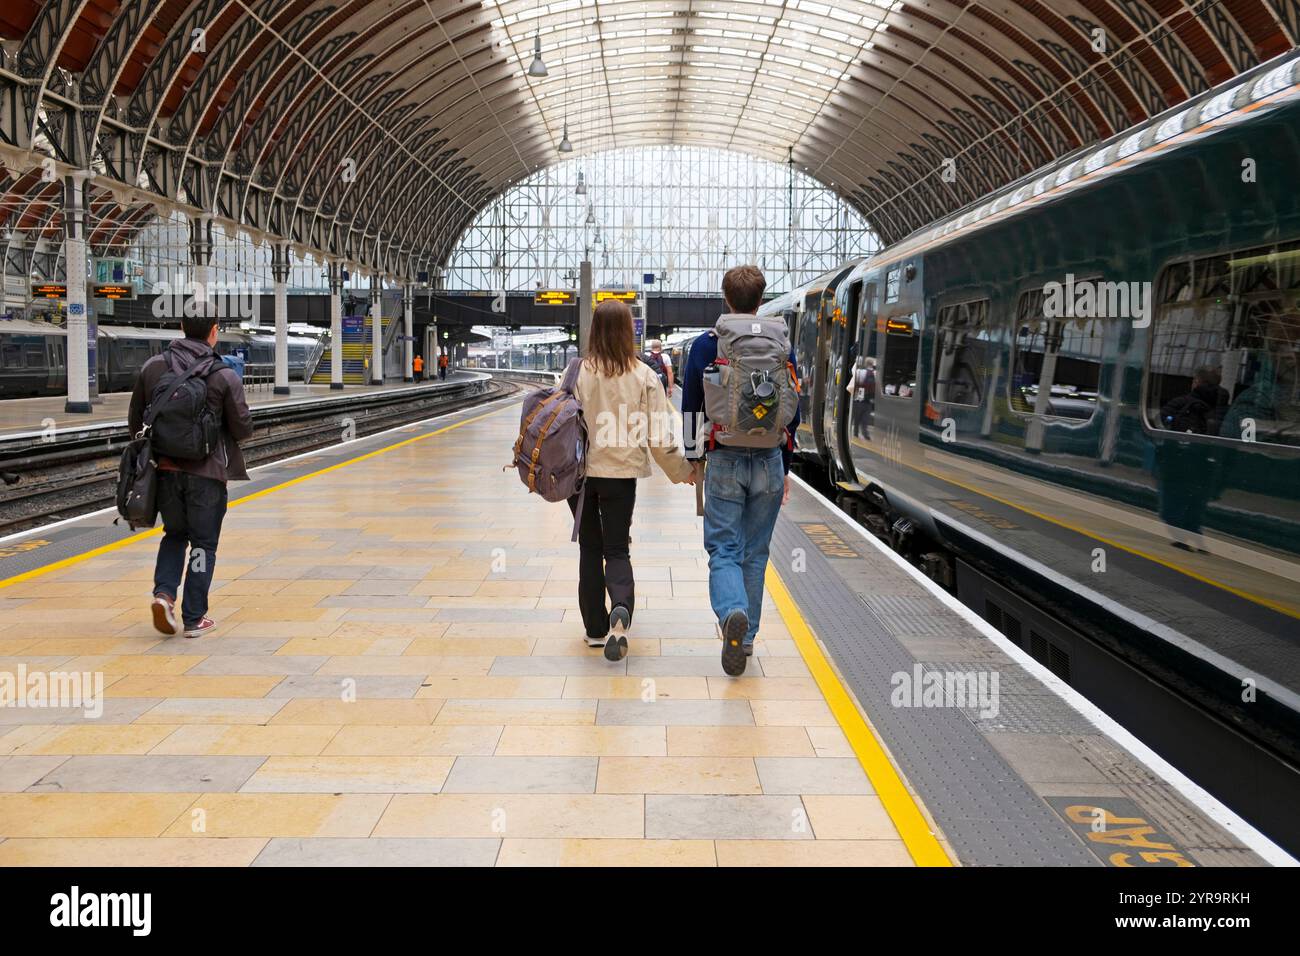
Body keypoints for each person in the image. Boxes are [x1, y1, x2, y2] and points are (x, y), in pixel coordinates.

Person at [681, 265, 800, 676]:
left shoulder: (707, 344)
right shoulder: (782, 343)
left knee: (724, 549)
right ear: (761, 300)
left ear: (726, 298)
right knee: (756, 552)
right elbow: (793, 407)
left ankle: (732, 612)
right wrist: (784, 466)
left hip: (725, 456)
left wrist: (695, 458)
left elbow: (692, 407)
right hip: (769, 457)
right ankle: (745, 640)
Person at [570, 300, 696, 661]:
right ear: (629, 332)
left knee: (590, 550)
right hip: (621, 476)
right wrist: (680, 470)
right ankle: (620, 613)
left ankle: (595, 629)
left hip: (581, 478)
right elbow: (659, 434)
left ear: (594, 331)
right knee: (617, 548)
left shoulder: (578, 371)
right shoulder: (643, 375)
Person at [129, 313, 253, 638]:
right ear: (215, 332)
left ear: (181, 329)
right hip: (208, 477)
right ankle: (194, 618)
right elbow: (243, 428)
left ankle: (164, 595)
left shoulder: (154, 367)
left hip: (166, 473)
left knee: (174, 535)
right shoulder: (224, 374)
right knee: (202, 545)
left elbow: (135, 423)